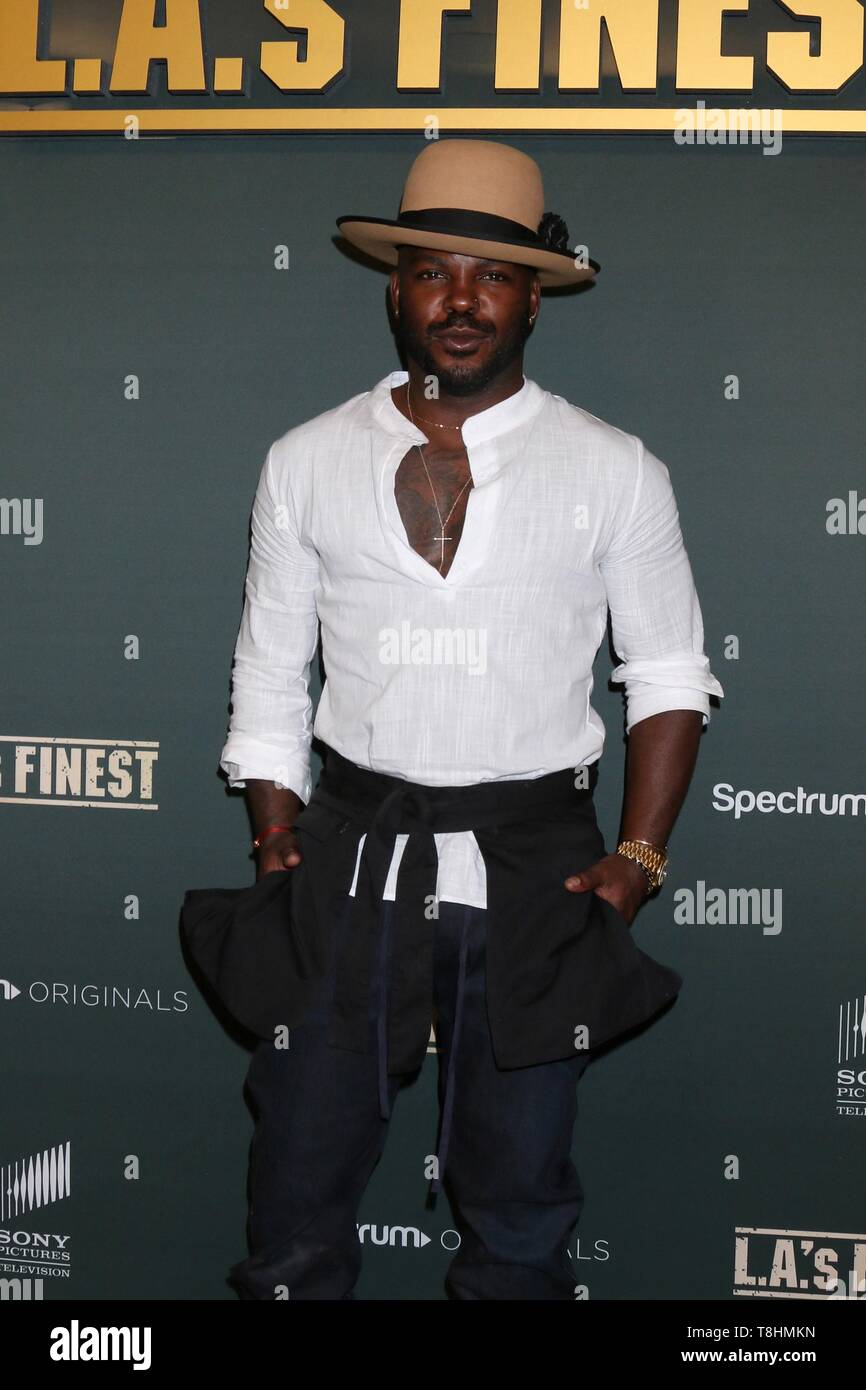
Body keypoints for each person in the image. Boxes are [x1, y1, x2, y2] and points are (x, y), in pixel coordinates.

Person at [217, 138, 724, 1301]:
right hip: (346, 854)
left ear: (532, 298)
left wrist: (637, 858)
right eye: (434, 271)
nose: (459, 299)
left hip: (536, 867)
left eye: (490, 274)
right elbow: (268, 669)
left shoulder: (613, 469)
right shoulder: (304, 461)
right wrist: (276, 834)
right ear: (393, 288)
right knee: (294, 1202)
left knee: (520, 1209)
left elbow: (666, 674)